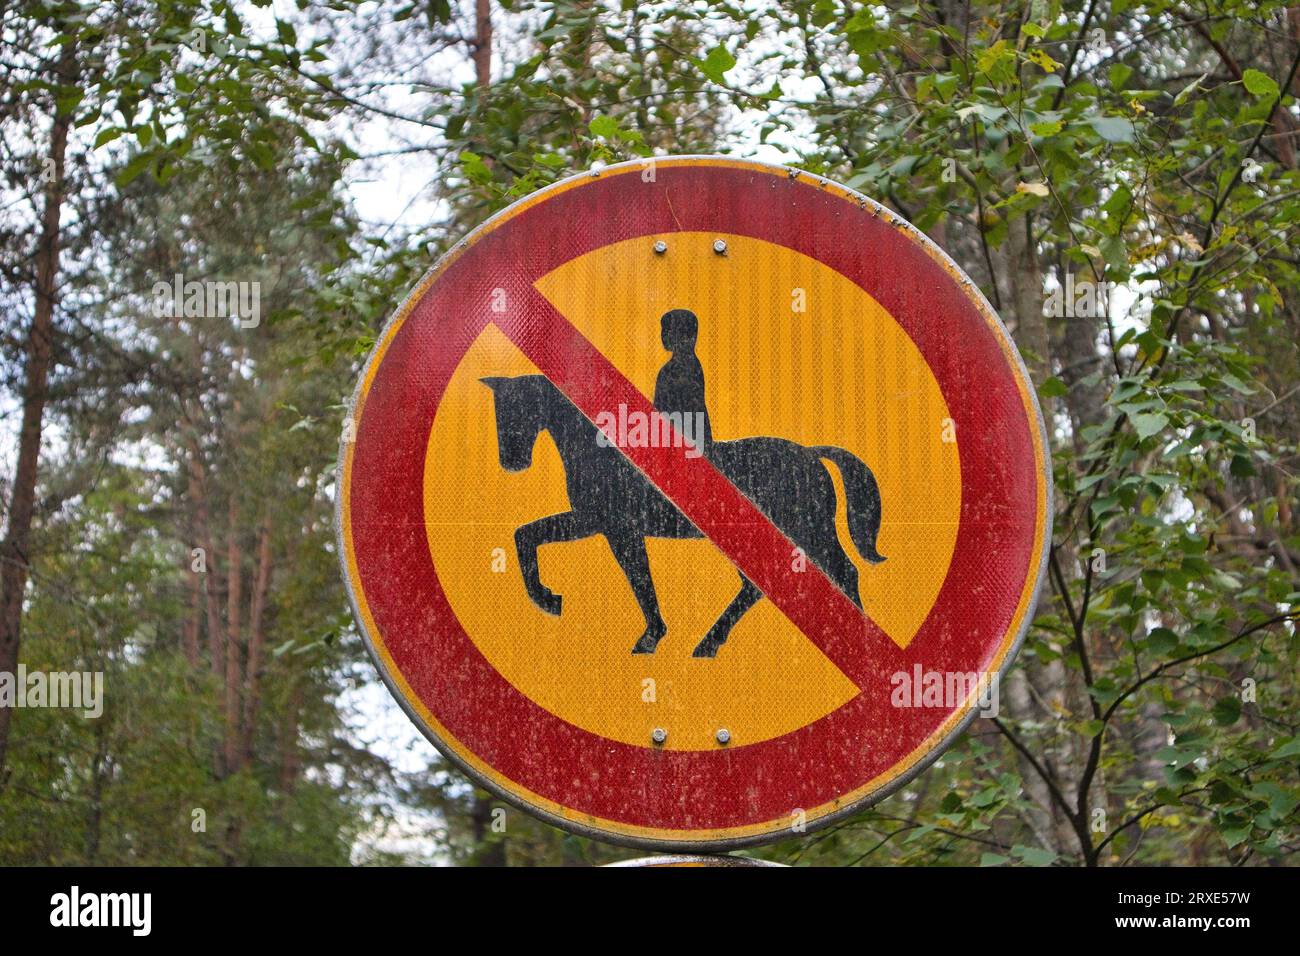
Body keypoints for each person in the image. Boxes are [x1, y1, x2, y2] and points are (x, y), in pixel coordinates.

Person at [653, 308, 713, 459]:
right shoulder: (691, 365)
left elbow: (660, 415)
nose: (663, 336)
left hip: (681, 445)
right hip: (688, 442)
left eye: (667, 330)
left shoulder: (673, 370)